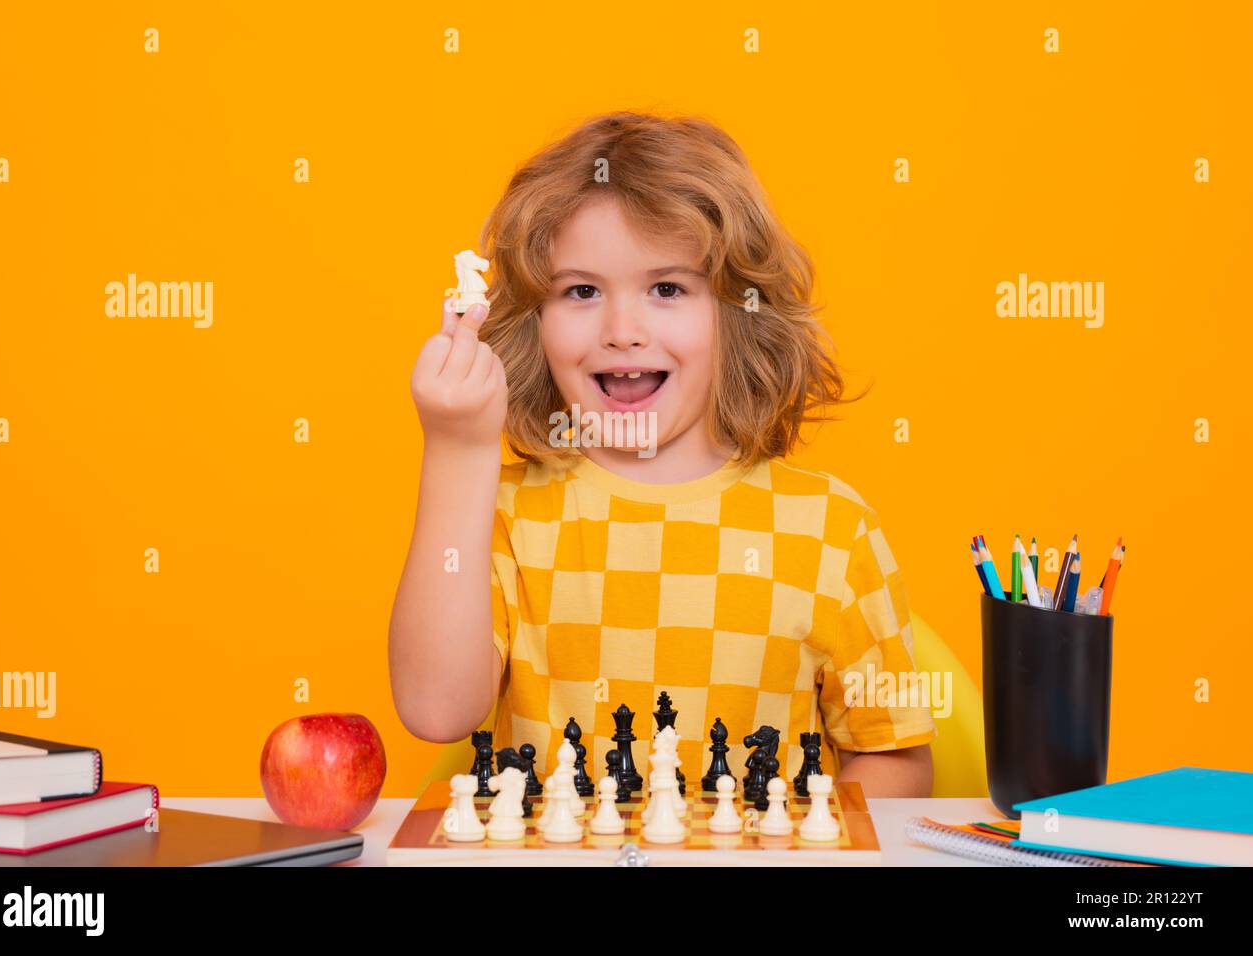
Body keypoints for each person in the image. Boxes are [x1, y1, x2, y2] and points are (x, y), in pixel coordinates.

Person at [390, 111, 935, 797]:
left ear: (739, 311)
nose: (623, 332)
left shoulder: (832, 528)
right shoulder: (499, 515)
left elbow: (896, 756)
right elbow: (436, 710)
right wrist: (456, 451)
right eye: (581, 291)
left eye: (668, 289)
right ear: (534, 321)